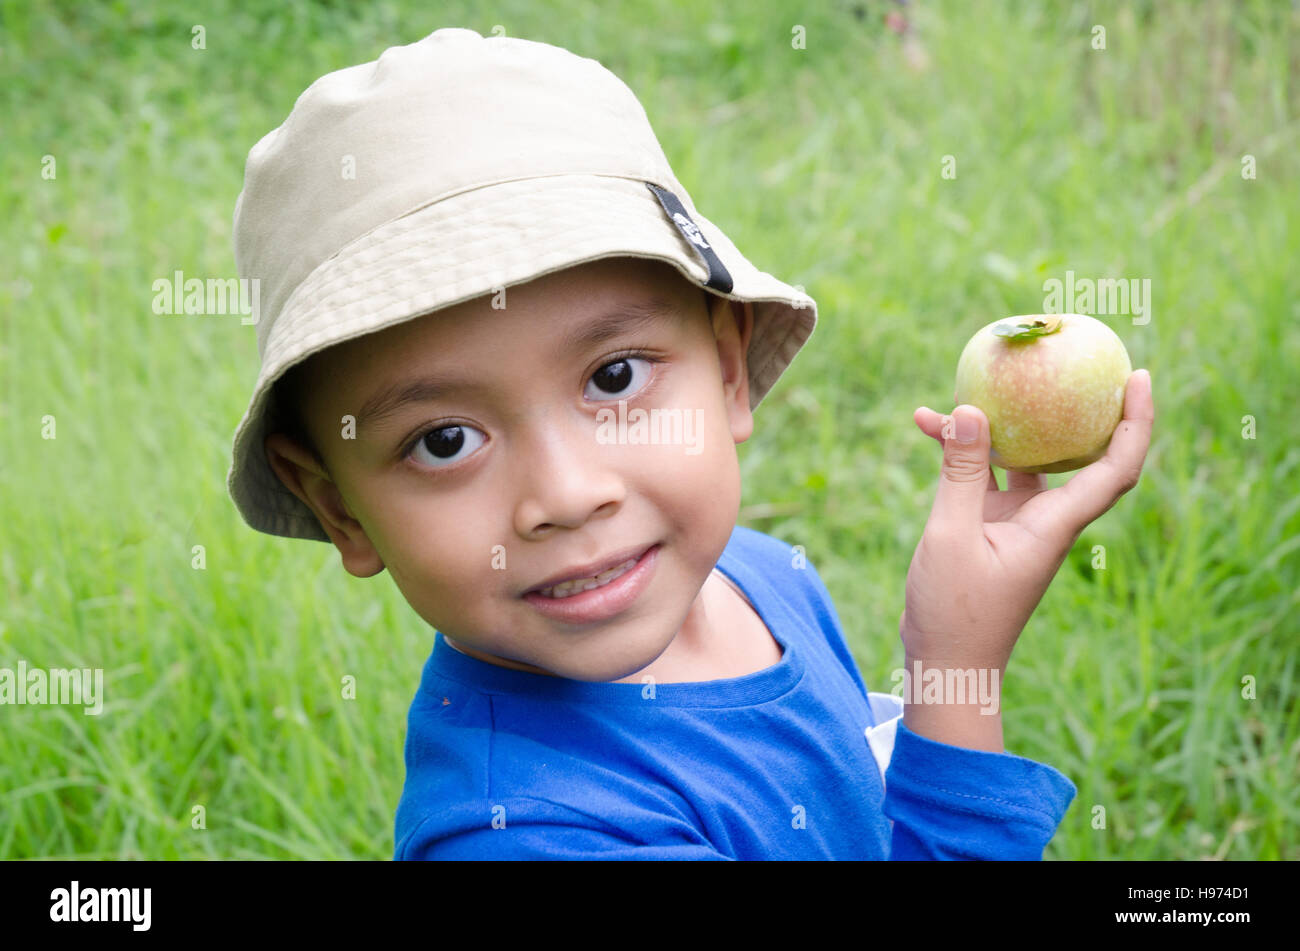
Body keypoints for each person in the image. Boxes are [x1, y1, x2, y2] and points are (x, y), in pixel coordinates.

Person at [225, 28, 1153, 859]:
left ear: (727, 368)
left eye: (615, 377)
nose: (568, 492)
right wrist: (958, 671)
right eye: (445, 438)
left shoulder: (756, 574)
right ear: (338, 506)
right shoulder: (532, 831)